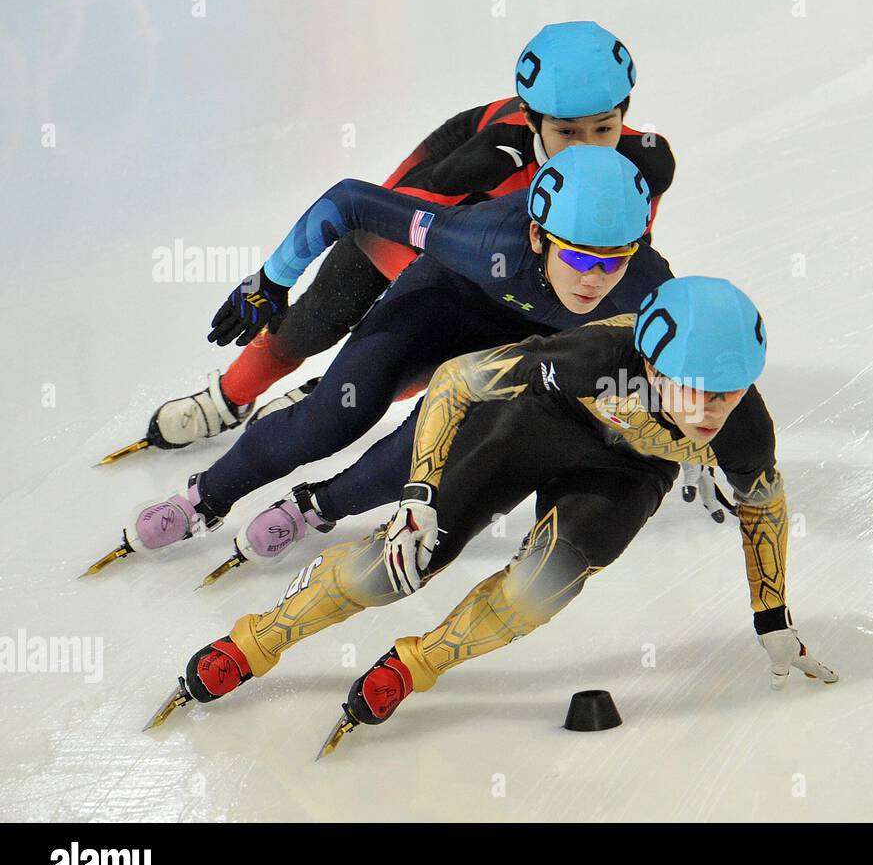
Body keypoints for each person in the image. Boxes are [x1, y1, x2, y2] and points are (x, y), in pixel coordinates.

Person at [145, 277, 838, 756]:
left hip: (627, 470)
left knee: (537, 590)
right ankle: (254, 642)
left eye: (727, 394)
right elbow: (454, 380)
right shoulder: (595, 358)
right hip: (533, 422)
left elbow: (763, 507)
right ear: (651, 365)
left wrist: (772, 617)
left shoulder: (745, 429)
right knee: (399, 564)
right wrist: (417, 494)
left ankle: (418, 664)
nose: (708, 414)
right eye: (693, 391)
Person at [107, 20, 673, 457]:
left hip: (506, 239)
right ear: (531, 121)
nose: (588, 149)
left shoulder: (647, 166)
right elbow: (355, 208)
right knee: (328, 311)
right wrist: (272, 279)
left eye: (605, 128)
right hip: (445, 201)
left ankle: (337, 386)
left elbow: (618, 269)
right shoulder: (484, 162)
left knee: (463, 334)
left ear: (626, 114)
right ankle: (229, 396)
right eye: (567, 132)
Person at [102, 144, 678, 572]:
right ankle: (203, 498)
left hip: (514, 352)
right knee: (333, 417)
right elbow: (351, 200)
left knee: (430, 440)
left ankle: (316, 507)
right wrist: (271, 280)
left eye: (615, 260)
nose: (595, 280)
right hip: (440, 307)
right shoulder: (479, 237)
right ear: (536, 237)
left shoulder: (645, 289)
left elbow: (697, 362)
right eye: (580, 259)